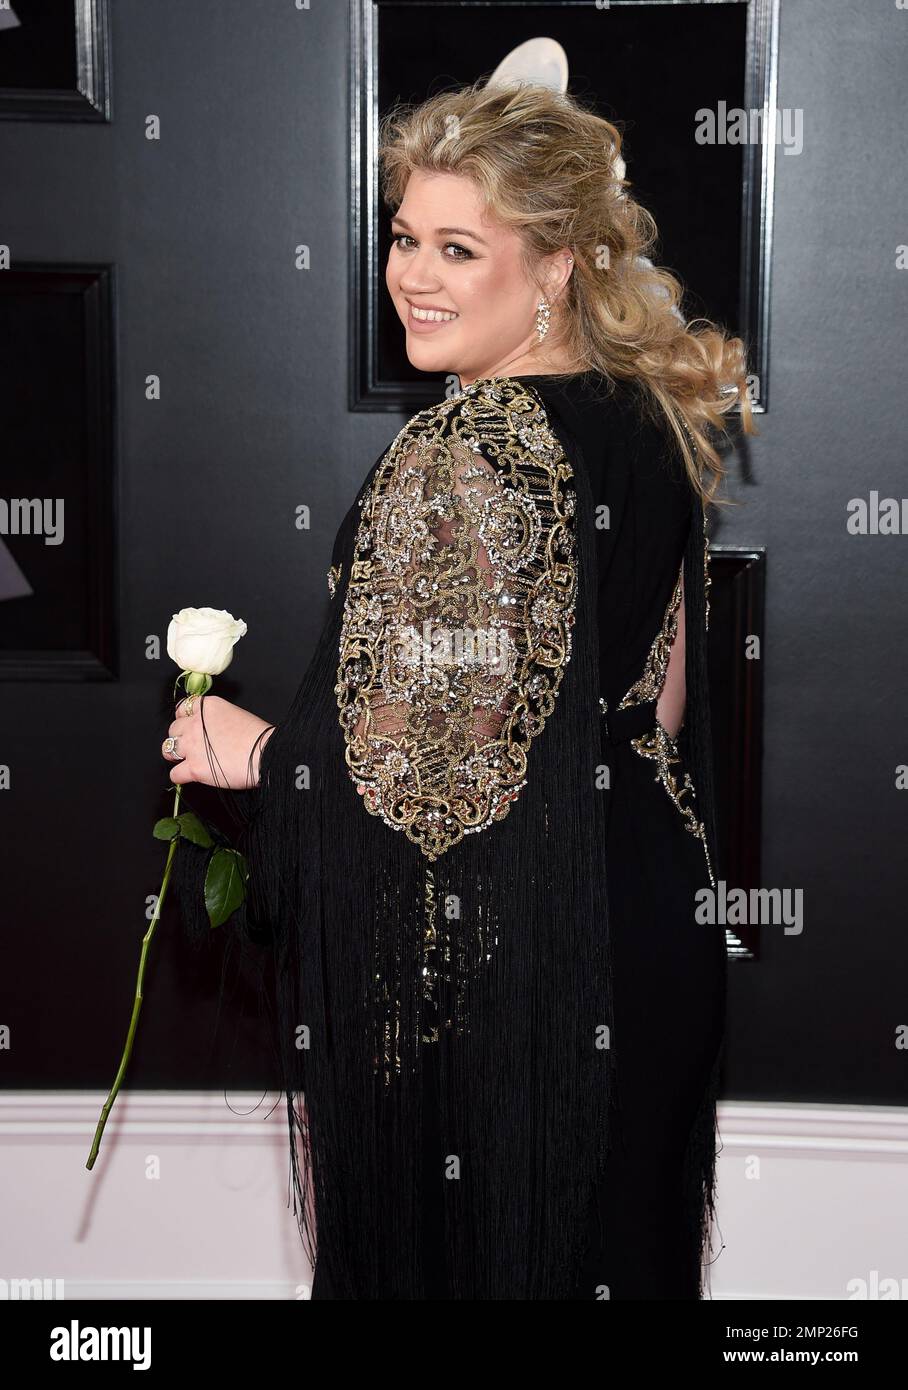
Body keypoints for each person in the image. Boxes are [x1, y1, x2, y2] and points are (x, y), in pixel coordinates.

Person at [165, 78, 755, 1300]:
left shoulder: (464, 445)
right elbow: (662, 710)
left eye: (456, 247)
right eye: (401, 237)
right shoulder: (652, 421)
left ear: (551, 269)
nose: (412, 276)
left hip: (505, 962)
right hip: (642, 931)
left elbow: (433, 781)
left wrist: (256, 751)